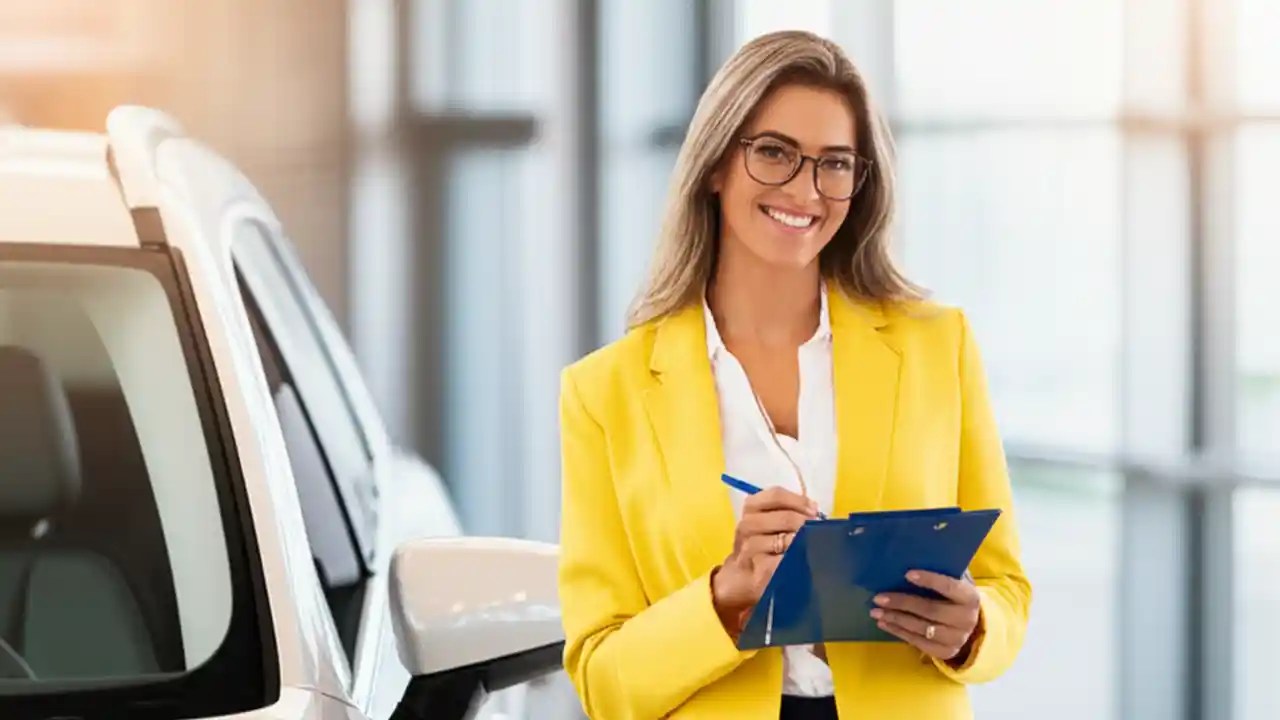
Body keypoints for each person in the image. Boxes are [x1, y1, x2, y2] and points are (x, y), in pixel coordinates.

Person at [557, 29, 1031, 719]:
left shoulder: (937, 348)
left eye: (834, 163)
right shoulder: (606, 393)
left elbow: (1005, 588)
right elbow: (602, 679)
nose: (806, 190)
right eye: (775, 152)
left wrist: (972, 631)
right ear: (716, 164)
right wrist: (727, 591)